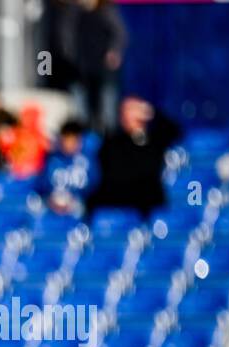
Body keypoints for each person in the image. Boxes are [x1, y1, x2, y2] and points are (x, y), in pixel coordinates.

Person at [87, 96, 180, 216]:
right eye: (125, 110)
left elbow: (175, 130)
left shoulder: (156, 140)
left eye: (133, 109)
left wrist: (152, 112)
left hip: (147, 205)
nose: (128, 114)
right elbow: (110, 174)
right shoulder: (112, 143)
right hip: (117, 203)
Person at [54, 0, 127, 134]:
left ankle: (107, 140)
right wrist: (71, 57)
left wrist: (114, 52)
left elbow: (119, 33)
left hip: (104, 70)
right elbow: (65, 37)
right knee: (81, 111)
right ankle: (86, 141)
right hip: (80, 70)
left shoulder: (106, 10)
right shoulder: (73, 12)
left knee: (107, 109)